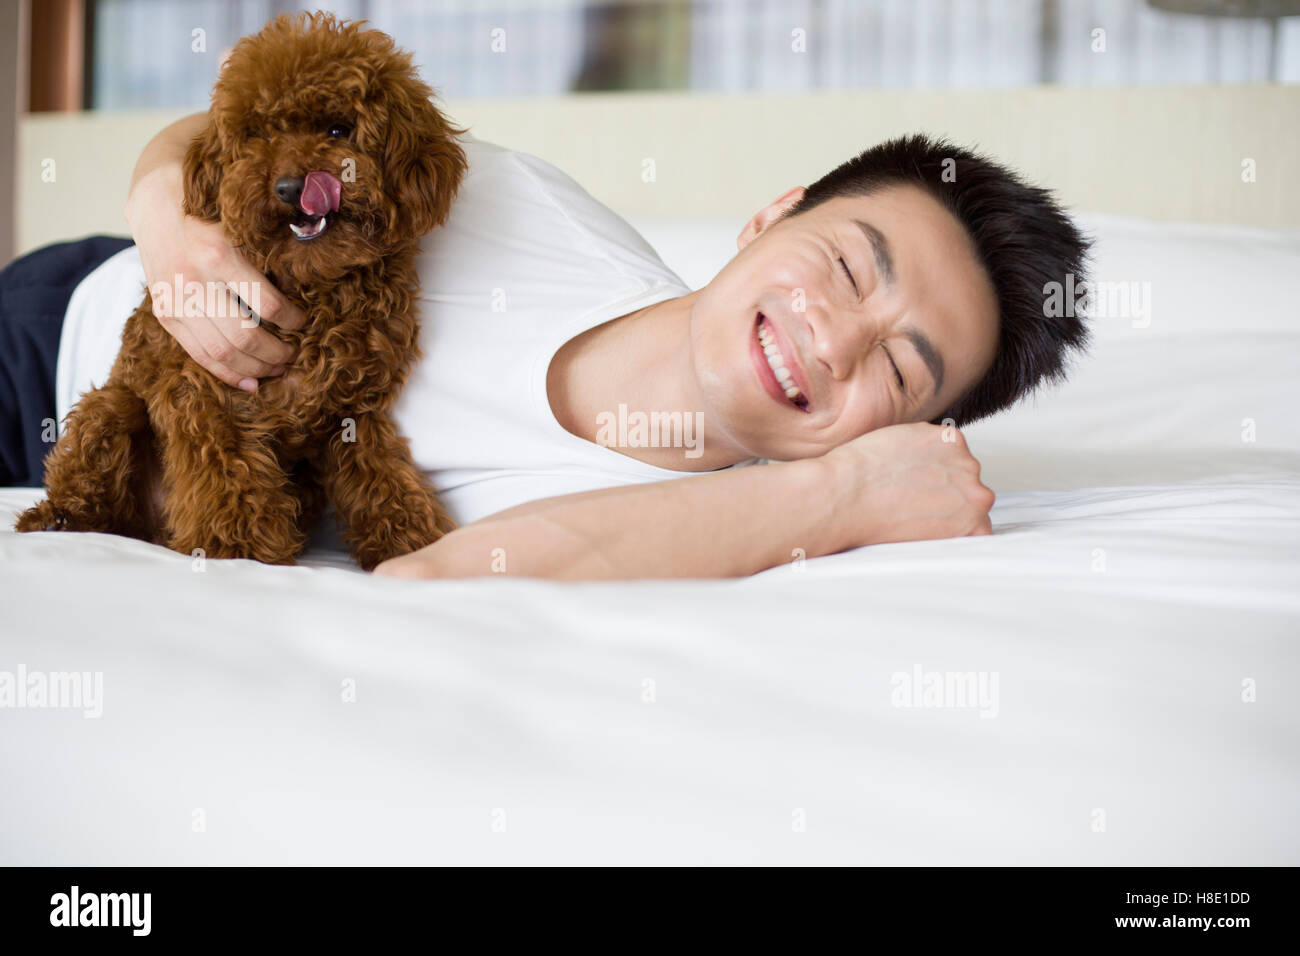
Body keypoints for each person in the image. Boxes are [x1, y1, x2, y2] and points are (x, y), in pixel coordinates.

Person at [5, 115, 1089, 579]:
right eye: (850, 268)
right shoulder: (524, 207)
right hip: (65, 325)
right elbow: (234, 129)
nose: (832, 341)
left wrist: (842, 497)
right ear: (774, 215)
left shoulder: (709, 530)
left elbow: (433, 586)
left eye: (899, 371)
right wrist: (167, 229)